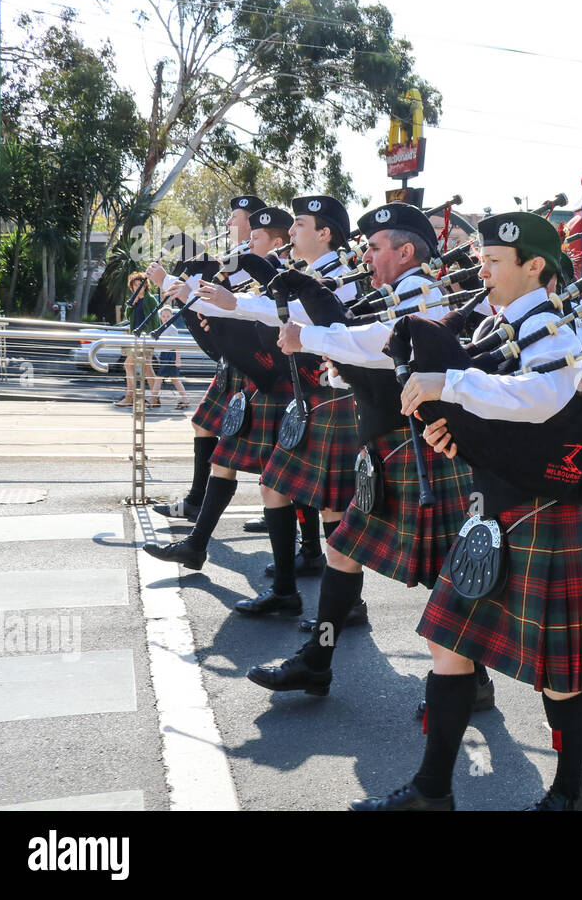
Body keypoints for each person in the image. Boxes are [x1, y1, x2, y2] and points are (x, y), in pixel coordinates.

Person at [351, 212, 582, 811]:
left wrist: (453, 386)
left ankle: (571, 792)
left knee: (559, 670)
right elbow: (496, 409)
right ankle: (432, 790)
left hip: (544, 509)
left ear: (535, 267)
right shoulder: (502, 323)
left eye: (495, 261)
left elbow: (542, 399)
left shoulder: (547, 324)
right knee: (448, 645)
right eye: (484, 258)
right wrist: (459, 434)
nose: (482, 269)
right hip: (495, 501)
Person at [245, 201, 488, 710]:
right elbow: (362, 345)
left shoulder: (424, 291)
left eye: (375, 247)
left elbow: (384, 343)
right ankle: (319, 659)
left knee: (447, 572)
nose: (367, 255)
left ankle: (474, 680)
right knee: (342, 551)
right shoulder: (397, 291)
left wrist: (309, 335)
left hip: (421, 451)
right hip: (389, 448)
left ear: (403, 251)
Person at [190, 197, 363, 615]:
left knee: (331, 500)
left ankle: (347, 603)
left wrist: (236, 305)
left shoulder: (345, 276)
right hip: (301, 387)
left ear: (324, 234)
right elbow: (279, 312)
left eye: (300, 225)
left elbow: (298, 312)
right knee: (275, 484)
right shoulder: (308, 272)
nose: (293, 234)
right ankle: (288, 588)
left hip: (329, 391)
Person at [152, 194, 261, 520]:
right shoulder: (235, 256)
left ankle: (294, 528)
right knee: (204, 425)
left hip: (256, 363)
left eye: (234, 217)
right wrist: (190, 260)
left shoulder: (257, 259)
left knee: (272, 447)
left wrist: (174, 278)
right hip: (234, 361)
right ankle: (197, 501)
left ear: (253, 222)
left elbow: (220, 293)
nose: (228, 223)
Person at [115, 272, 161, 408]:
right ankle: (154, 398)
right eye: (135, 285)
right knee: (146, 367)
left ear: (145, 286)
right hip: (136, 338)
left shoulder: (150, 299)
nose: (137, 288)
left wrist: (151, 340)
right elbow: (128, 317)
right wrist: (131, 305)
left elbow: (156, 322)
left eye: (140, 285)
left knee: (131, 365)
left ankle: (131, 397)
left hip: (145, 339)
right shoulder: (135, 300)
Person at [152, 306, 191, 409]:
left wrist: (178, 359)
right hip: (164, 355)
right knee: (174, 380)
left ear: (172, 317)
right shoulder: (162, 328)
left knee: (159, 378)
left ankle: (152, 399)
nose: (166, 318)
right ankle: (185, 400)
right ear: (160, 317)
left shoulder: (172, 329)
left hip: (171, 355)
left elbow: (177, 345)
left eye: (168, 316)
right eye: (164, 316)